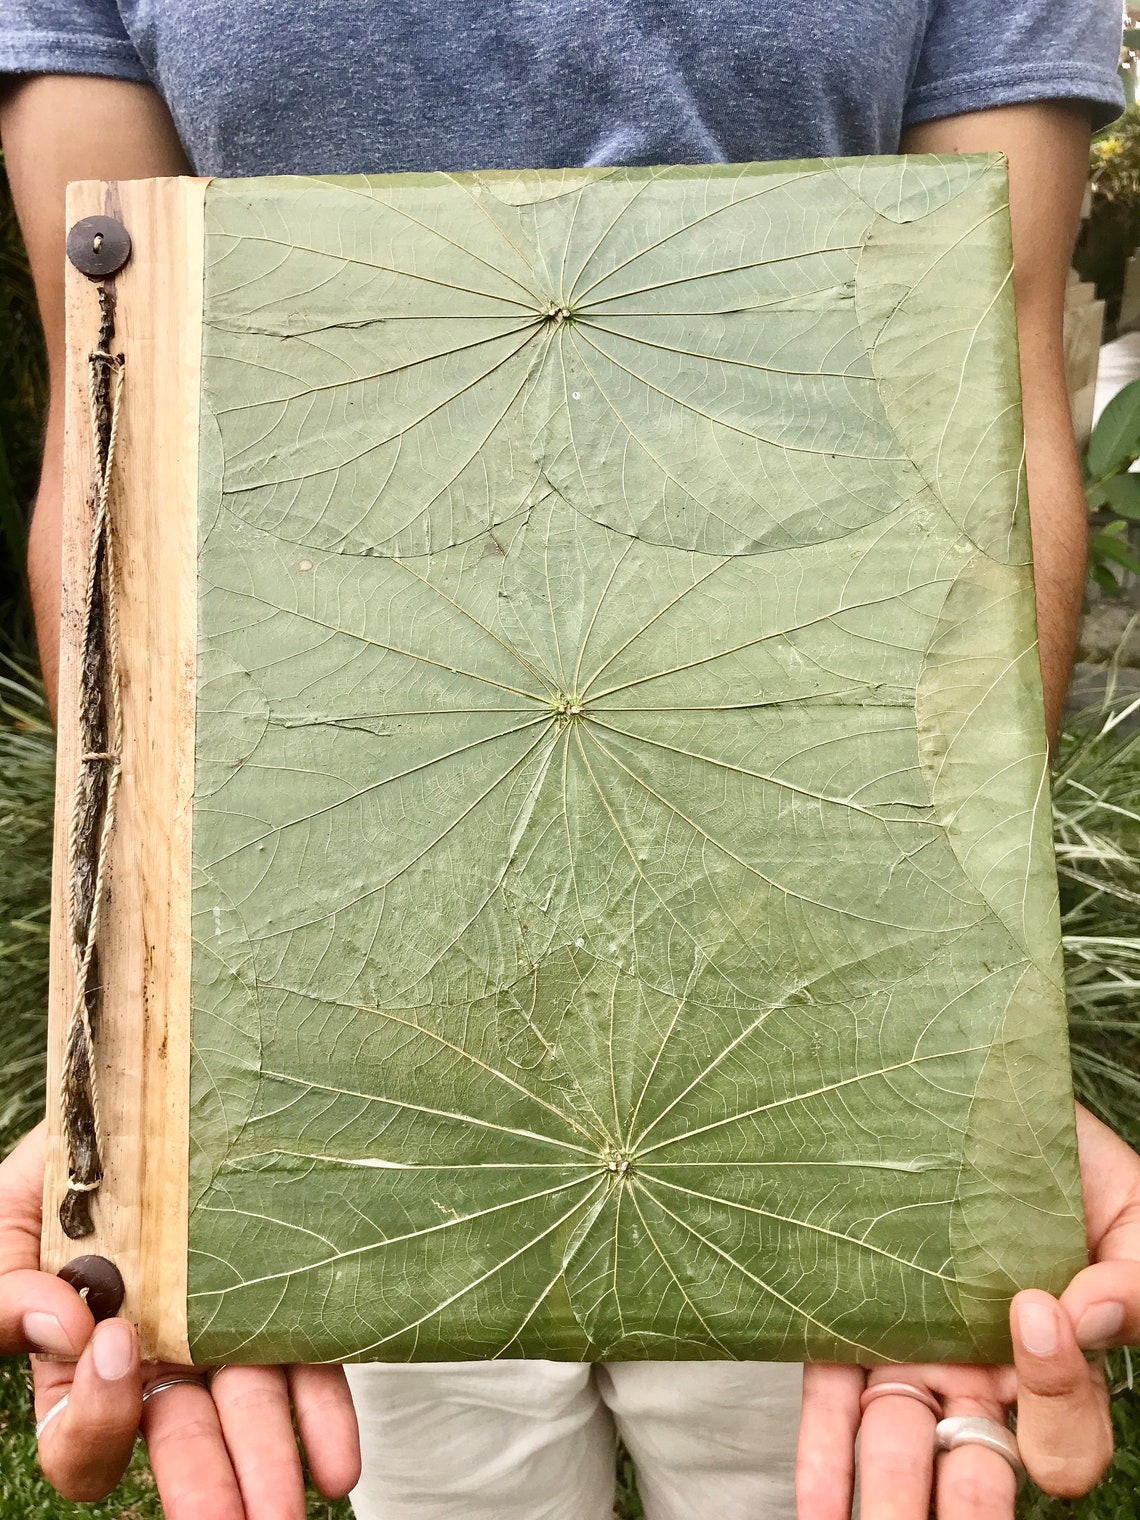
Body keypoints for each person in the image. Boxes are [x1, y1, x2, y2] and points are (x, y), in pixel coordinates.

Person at [0, 3, 1133, 1517]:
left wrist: (943, 1014)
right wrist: (133, 1087)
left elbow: (981, 407)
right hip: (343, 929)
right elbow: (115, 405)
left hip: (784, 887)